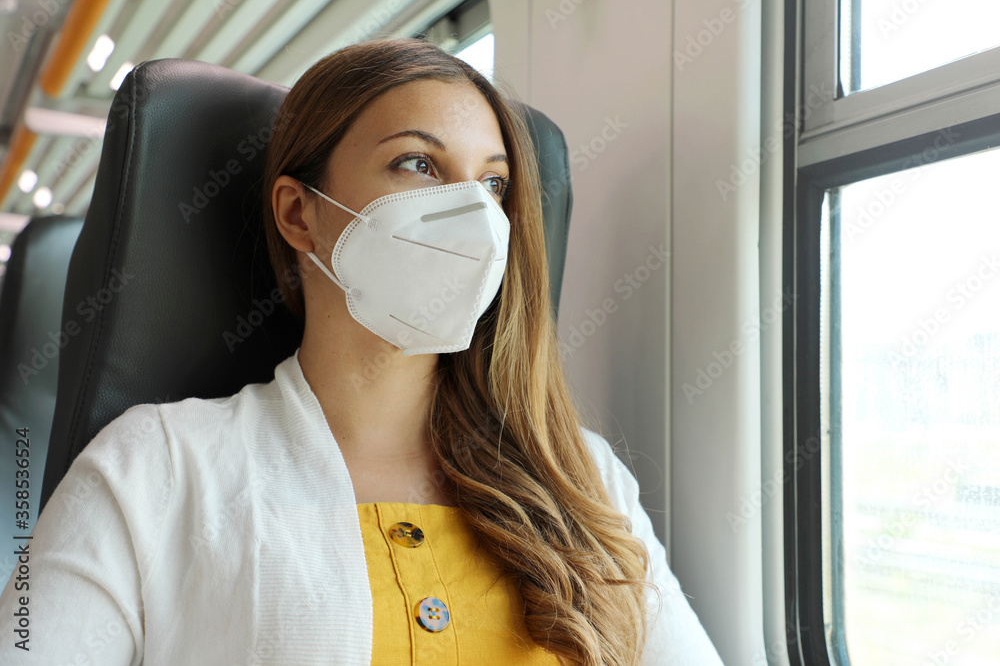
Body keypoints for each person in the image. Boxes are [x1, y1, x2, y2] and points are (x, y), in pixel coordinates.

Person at [0, 39, 722, 665]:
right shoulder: (154, 470)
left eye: (493, 183)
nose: (473, 214)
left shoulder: (580, 477)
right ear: (300, 213)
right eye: (418, 163)